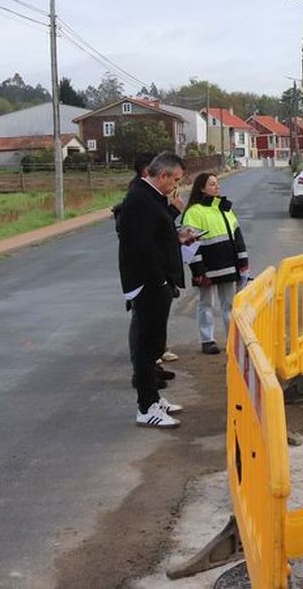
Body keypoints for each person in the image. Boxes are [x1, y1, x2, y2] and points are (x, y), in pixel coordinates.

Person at [117, 151, 187, 428]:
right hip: (148, 284)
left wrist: (178, 237)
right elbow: (140, 246)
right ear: (163, 175)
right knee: (146, 347)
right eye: (176, 180)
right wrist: (158, 280)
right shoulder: (140, 199)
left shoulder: (152, 197)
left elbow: (158, 235)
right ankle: (146, 407)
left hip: (156, 281)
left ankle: (154, 398)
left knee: (154, 344)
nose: (176, 186)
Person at [181, 173, 249, 354]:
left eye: (217, 183)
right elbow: (191, 245)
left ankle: (232, 340)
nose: (216, 187)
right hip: (207, 268)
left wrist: (243, 262)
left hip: (228, 265)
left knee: (229, 306)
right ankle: (207, 340)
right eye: (212, 184)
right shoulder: (193, 212)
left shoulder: (225, 209)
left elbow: (237, 237)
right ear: (201, 188)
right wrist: (198, 271)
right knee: (206, 304)